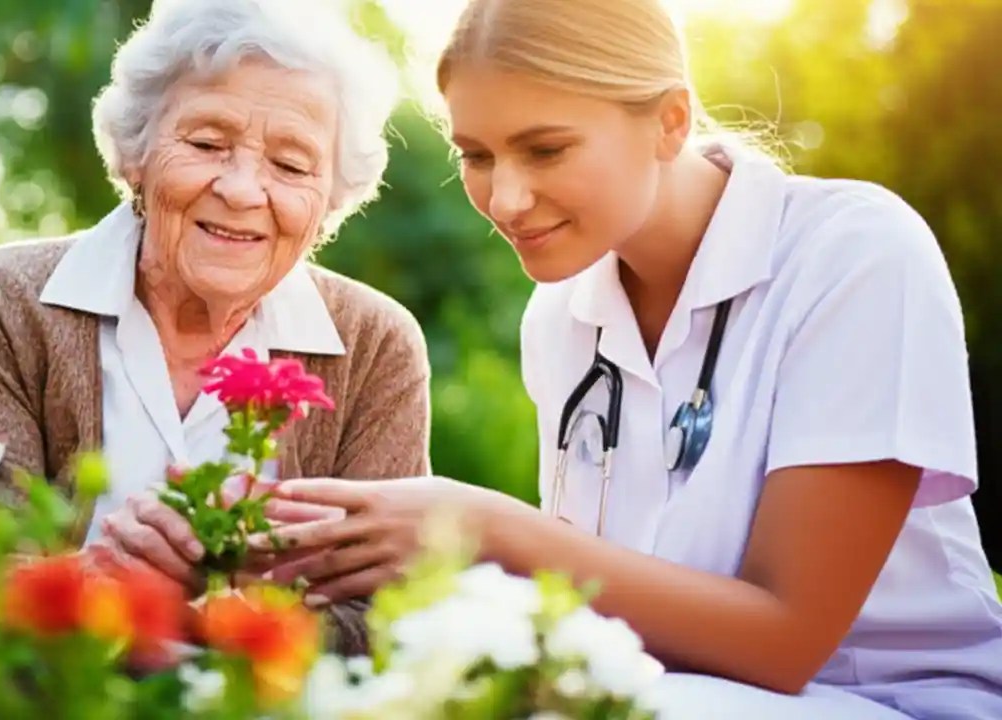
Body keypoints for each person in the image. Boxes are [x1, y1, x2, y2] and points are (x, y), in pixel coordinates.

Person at [252, 0, 1002, 717]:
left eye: (546, 149)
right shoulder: (562, 317)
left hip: (893, 701)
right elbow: (599, 605)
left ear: (670, 122)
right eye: (476, 156)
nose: (506, 198)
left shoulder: (854, 255)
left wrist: (487, 528)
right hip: (669, 693)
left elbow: (788, 641)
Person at [0, 0, 429, 654]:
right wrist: (97, 586)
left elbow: (389, 617)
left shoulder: (376, 346)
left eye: (292, 166)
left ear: (330, 201)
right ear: (137, 152)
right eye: (208, 143)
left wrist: (224, 616)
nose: (242, 190)